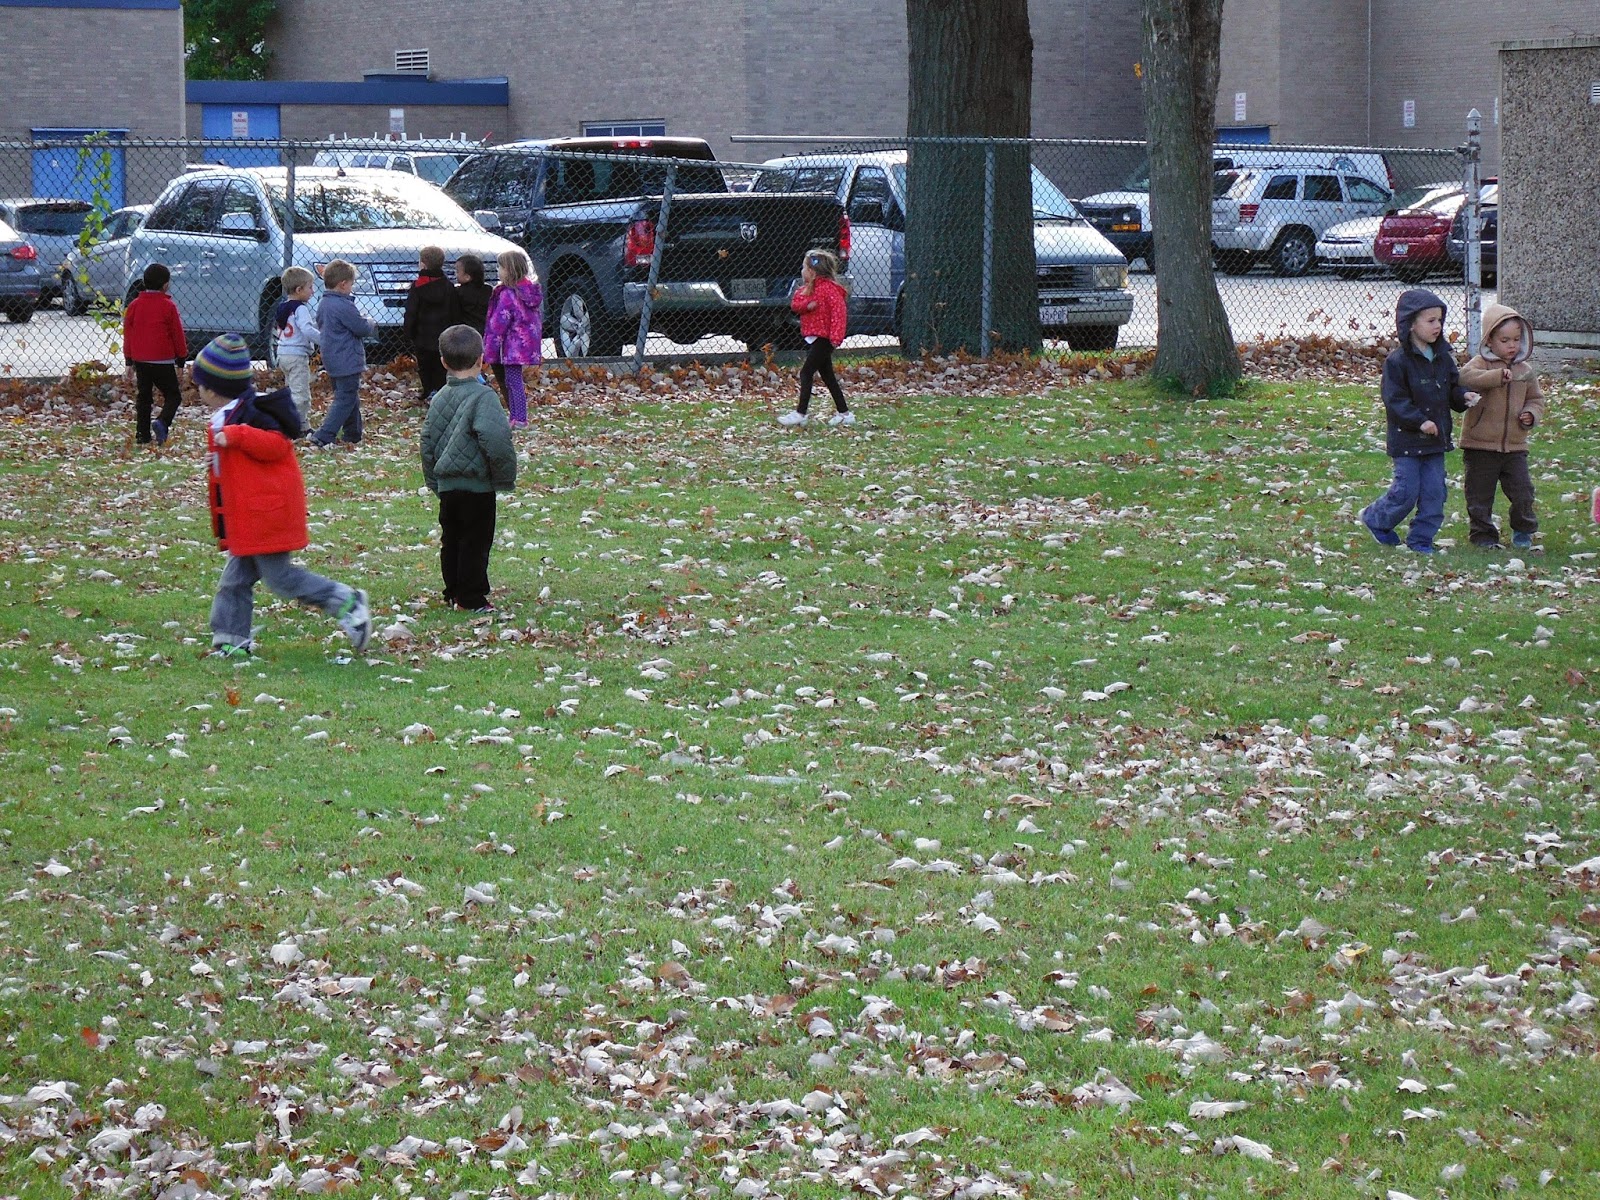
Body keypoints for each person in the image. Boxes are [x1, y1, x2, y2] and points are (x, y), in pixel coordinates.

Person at [191, 333, 372, 659]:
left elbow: (275, 445)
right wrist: (219, 459)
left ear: (213, 389)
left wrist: (235, 436)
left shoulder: (252, 413)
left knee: (282, 579)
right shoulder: (231, 415)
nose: (199, 393)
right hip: (250, 516)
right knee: (234, 580)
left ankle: (346, 601)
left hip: (267, 514)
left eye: (200, 387)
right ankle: (231, 640)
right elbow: (244, 460)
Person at [1359, 288, 1473, 555]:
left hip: (1435, 442)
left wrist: (1463, 396)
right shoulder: (1398, 362)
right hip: (1407, 441)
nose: (1438, 326)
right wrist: (1420, 421)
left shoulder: (1443, 358)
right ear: (1411, 324)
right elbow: (1395, 400)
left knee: (1435, 494)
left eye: (1440, 320)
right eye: (1430, 320)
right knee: (1406, 491)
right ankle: (1377, 519)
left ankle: (1421, 539)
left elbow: (1451, 390)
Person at [421, 324, 518, 611]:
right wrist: (503, 477)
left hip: (449, 487)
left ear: (443, 362)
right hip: (477, 486)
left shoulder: (438, 398)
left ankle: (454, 589)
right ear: (481, 359)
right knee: (475, 543)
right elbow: (497, 440)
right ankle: (471, 596)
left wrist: (434, 481)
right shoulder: (483, 398)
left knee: (451, 540)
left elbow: (427, 441)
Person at [1457, 304, 1545, 551]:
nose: (1512, 345)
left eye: (1517, 339)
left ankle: (1523, 530)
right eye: (1505, 339)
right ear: (1490, 340)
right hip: (1480, 444)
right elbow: (1464, 379)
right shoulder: (1480, 364)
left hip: (1515, 445)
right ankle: (1483, 536)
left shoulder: (1525, 371)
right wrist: (1495, 378)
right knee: (1479, 495)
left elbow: (1536, 399)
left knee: (1523, 491)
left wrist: (1531, 414)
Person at [778, 249, 853, 427]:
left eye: (804, 267)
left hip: (825, 339)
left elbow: (838, 313)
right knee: (828, 376)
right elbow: (796, 304)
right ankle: (844, 413)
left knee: (806, 372)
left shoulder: (829, 290)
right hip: (815, 338)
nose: (802, 271)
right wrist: (808, 306)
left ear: (811, 272)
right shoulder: (807, 291)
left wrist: (835, 337)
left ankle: (801, 413)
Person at [308, 259, 376, 448]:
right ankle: (325, 434)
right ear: (343, 284)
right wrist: (370, 321)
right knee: (345, 398)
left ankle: (353, 433)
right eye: (351, 284)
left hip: (332, 357)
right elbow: (361, 327)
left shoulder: (324, 304)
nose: (352, 288)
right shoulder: (344, 306)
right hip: (347, 358)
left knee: (348, 395)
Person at [122, 263, 187, 446]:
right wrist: (181, 360)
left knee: (144, 397)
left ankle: (142, 434)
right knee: (173, 395)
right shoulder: (168, 306)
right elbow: (177, 335)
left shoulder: (134, 305)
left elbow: (129, 333)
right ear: (165, 285)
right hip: (163, 360)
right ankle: (162, 421)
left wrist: (129, 360)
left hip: (141, 360)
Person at [483, 249, 543, 427]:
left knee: (513, 382)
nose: (498, 271)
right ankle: (516, 417)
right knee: (513, 381)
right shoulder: (528, 292)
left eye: (500, 267)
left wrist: (489, 347)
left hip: (512, 345)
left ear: (509, 270)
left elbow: (498, 323)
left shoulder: (508, 295)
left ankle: (519, 418)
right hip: (524, 344)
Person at [402, 245, 460, 404]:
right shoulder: (447, 286)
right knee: (441, 364)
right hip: (443, 332)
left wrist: (408, 331)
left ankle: (428, 389)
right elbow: (454, 309)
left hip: (422, 334)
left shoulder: (418, 286)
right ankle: (440, 389)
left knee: (424, 364)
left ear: (423, 264)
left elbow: (411, 311)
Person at [273, 265, 320, 428]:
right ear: (299, 289)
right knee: (301, 395)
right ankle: (294, 425)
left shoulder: (282, 307)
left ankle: (302, 424)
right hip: (297, 356)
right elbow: (306, 329)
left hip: (283, 354)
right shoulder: (300, 309)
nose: (312, 291)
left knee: (292, 390)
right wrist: (325, 340)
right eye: (310, 287)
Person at [454, 254, 493, 337]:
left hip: (465, 333)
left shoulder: (459, 292)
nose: (455, 275)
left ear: (467, 277)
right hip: (485, 331)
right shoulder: (488, 290)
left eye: (457, 272)